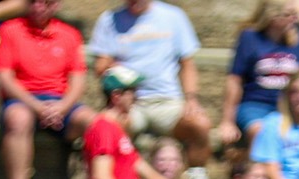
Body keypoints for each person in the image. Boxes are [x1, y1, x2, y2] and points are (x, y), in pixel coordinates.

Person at [88, 0, 213, 166]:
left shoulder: (174, 16)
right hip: (131, 103)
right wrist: (117, 71)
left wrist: (191, 99)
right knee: (108, 126)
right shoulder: (109, 20)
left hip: (168, 100)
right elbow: (100, 67)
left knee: (200, 125)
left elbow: (187, 64)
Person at [0, 0, 90, 179]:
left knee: (94, 122)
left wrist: (62, 107)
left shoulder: (69, 34)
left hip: (60, 102)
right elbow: (5, 77)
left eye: (45, 3)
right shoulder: (10, 30)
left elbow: (78, 80)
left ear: (56, 6)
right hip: (23, 100)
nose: (38, 7)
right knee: (18, 119)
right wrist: (37, 107)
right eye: (33, 2)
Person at [222, 0, 299, 147]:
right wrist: (227, 121)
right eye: (288, 15)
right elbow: (234, 79)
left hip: (289, 107)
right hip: (256, 104)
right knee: (261, 132)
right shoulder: (250, 38)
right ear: (273, 16)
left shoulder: (298, 41)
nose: (294, 19)